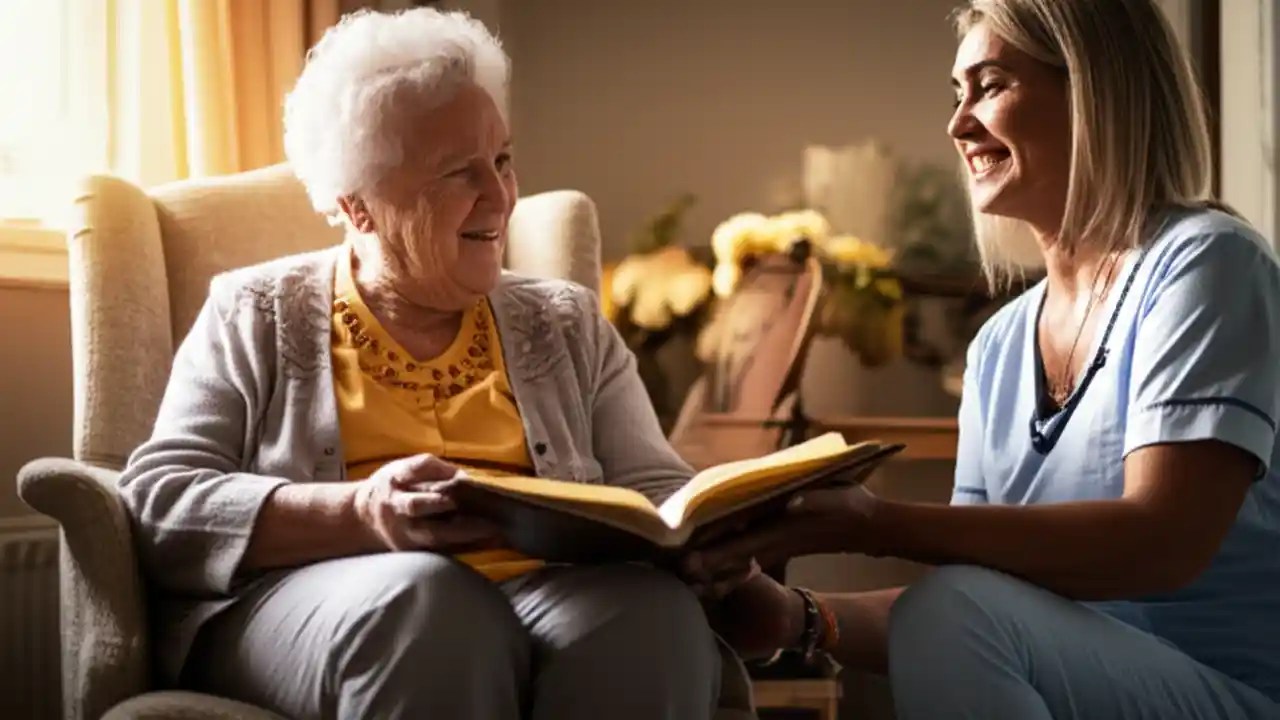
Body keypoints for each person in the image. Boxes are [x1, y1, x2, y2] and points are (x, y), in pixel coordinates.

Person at [116, 8, 728, 720]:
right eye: (457, 174)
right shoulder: (254, 311)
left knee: (652, 616)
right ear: (360, 208)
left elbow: (655, 490)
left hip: (547, 594)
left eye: (501, 159)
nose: (501, 197)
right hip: (322, 600)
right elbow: (160, 504)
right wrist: (360, 513)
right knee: (428, 605)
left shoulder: (565, 322)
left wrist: (711, 535)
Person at [684, 1, 1280, 718]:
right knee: (955, 604)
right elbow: (982, 613)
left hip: (1233, 695)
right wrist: (798, 616)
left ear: (1095, 89)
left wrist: (872, 524)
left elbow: (1163, 543)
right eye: (956, 92)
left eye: (991, 85)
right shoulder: (999, 345)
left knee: (955, 605)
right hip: (1080, 690)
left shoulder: (1207, 263)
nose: (958, 124)